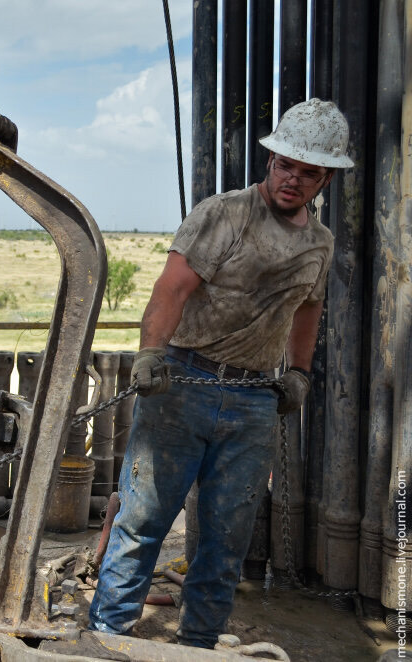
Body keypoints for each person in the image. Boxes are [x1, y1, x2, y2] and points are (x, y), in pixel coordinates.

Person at [88, 98, 353, 648]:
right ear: (271, 160)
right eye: (286, 165)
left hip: (254, 398)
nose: (293, 180)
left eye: (308, 173)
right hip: (182, 383)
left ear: (325, 178)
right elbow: (173, 288)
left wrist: (299, 372)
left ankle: (200, 645)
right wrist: (151, 354)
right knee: (142, 524)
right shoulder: (224, 214)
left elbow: (308, 309)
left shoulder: (319, 244)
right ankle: (107, 638)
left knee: (226, 538)